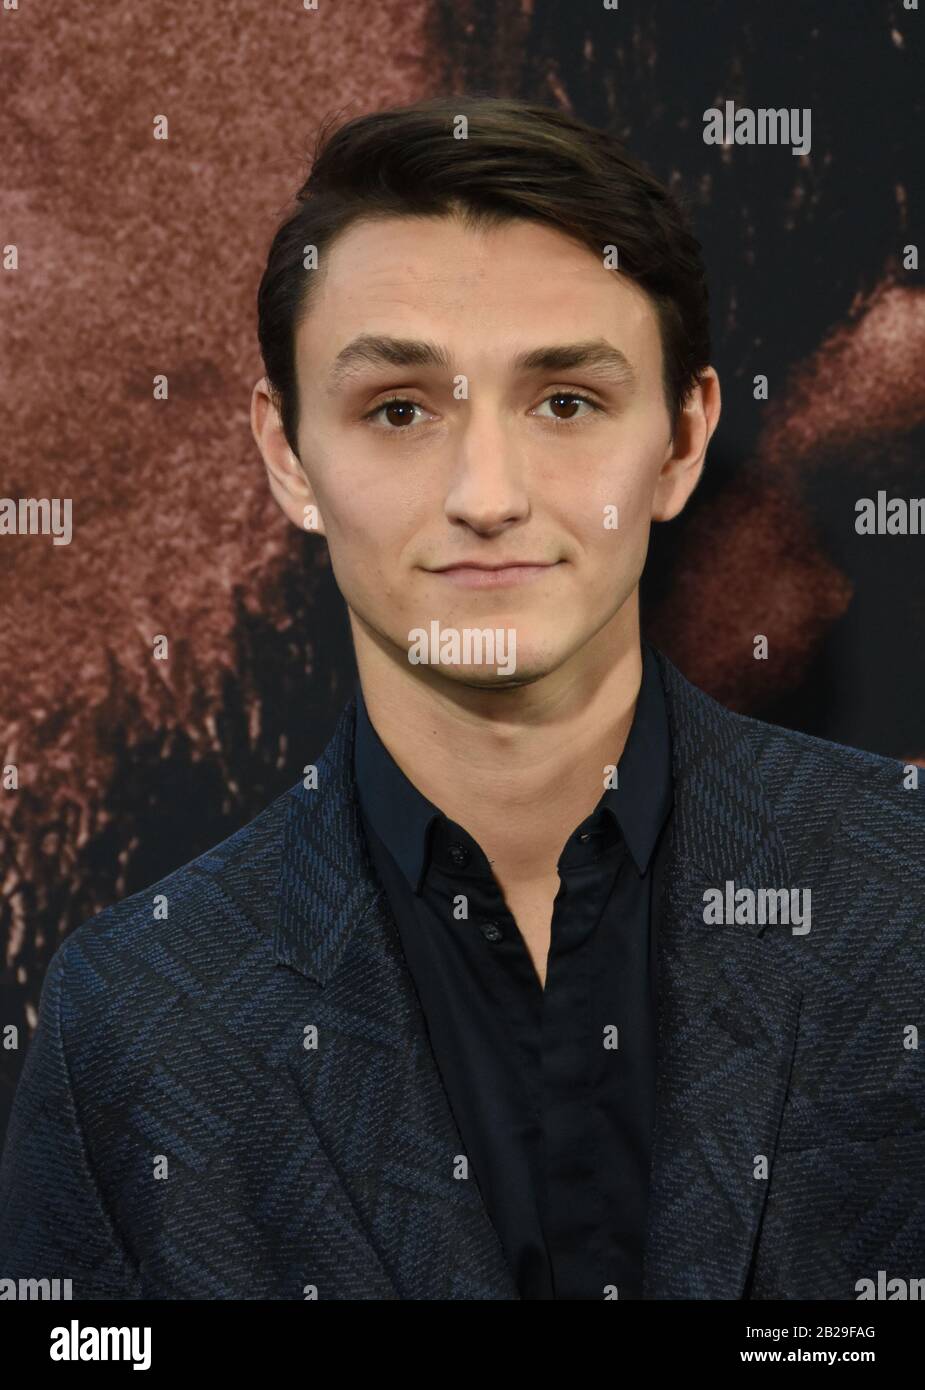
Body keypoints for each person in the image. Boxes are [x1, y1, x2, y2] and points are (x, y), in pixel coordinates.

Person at [1, 96, 922, 1301]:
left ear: (683, 439)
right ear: (287, 457)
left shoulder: (902, 893)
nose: (486, 493)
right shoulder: (127, 1022)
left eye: (565, 402)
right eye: (399, 409)